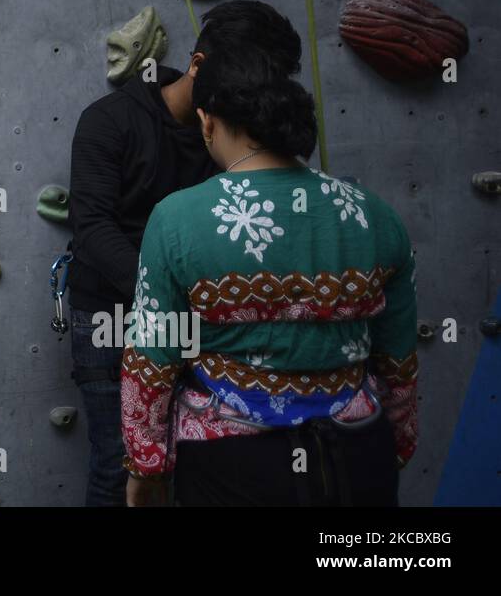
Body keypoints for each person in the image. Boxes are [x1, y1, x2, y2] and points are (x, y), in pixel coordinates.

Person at [121, 35, 417, 506]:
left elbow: (152, 358)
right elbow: (398, 357)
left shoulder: (176, 219)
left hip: (232, 462)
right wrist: (397, 442)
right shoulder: (375, 216)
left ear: (207, 122)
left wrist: (146, 466)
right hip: (359, 450)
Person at [66, 0, 301, 505]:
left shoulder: (240, 135)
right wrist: (166, 302)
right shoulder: (110, 121)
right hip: (112, 319)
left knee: (201, 462)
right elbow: (91, 227)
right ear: (198, 66)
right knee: (118, 470)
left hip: (207, 322)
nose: (249, 101)